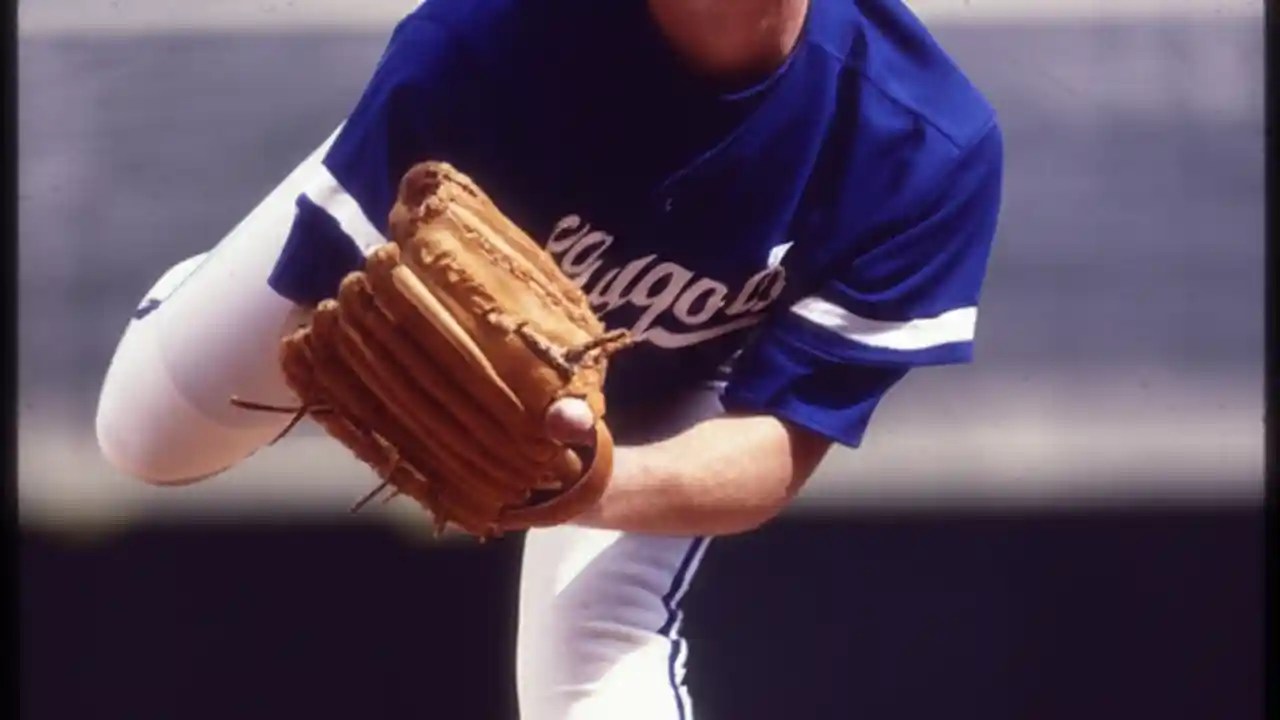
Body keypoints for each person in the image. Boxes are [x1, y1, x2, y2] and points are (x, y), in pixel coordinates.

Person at [95, 0, 1004, 717]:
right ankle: (319, 194)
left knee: (596, 656)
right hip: (411, 236)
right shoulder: (488, 35)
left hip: (683, 374)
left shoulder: (925, 145)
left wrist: (597, 486)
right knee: (148, 441)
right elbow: (346, 329)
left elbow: (779, 440)